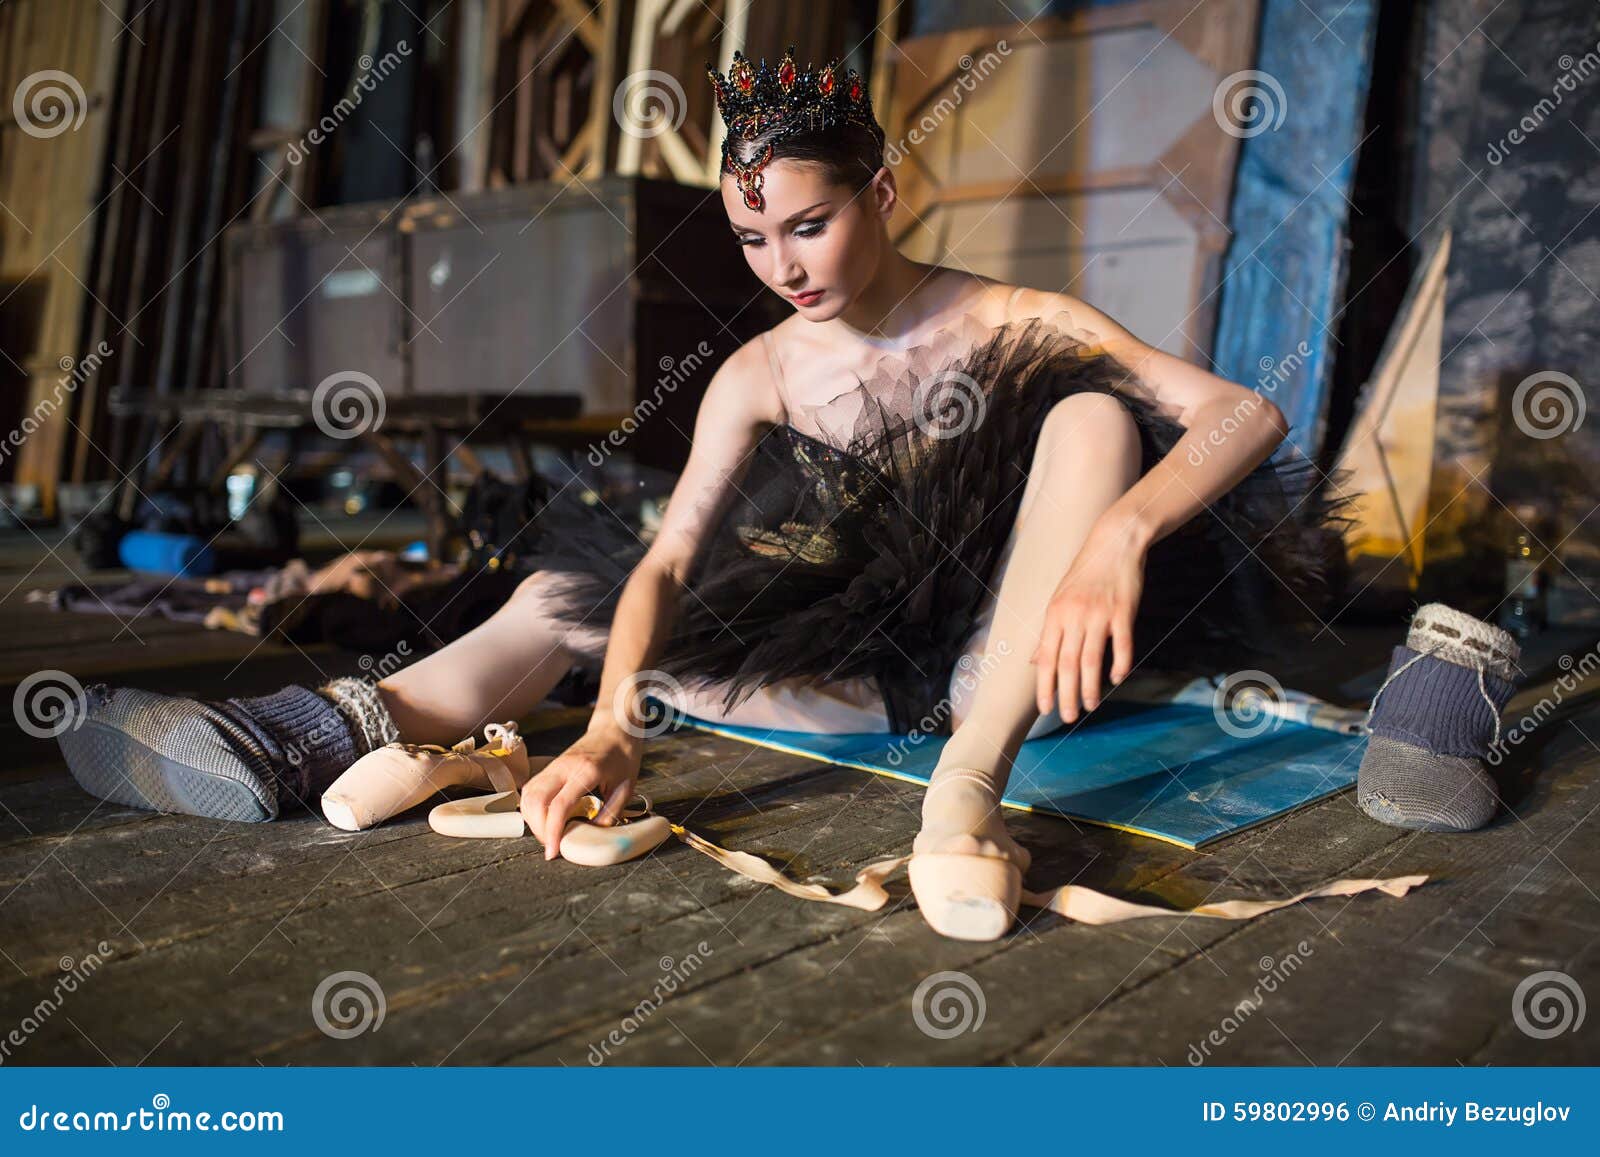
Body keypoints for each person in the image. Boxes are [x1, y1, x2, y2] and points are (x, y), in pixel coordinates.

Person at [57, 47, 1352, 941]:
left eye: (808, 225)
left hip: (986, 664)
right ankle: (341, 727)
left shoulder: (1009, 316)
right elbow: (667, 567)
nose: (782, 265)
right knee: (588, 582)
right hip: (845, 668)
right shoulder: (759, 370)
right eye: (751, 238)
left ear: (883, 193)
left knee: (1082, 407)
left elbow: (1244, 411)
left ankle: (965, 804)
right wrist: (617, 725)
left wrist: (1120, 534)